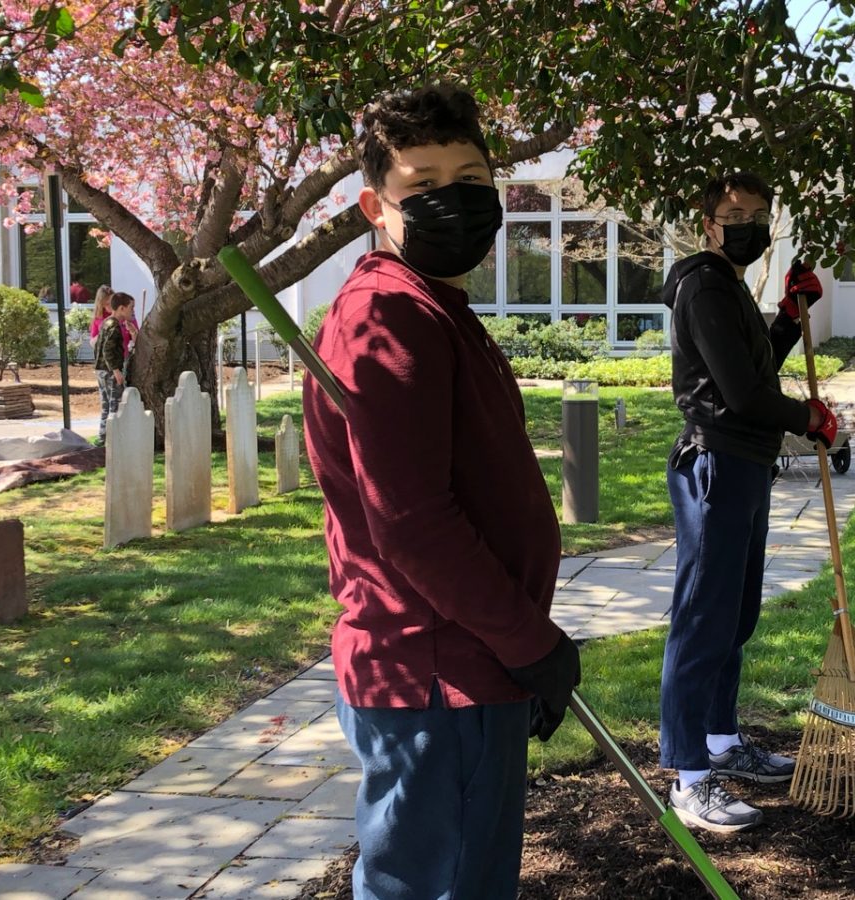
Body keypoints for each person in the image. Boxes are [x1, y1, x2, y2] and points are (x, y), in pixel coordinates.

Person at [301, 85, 580, 900]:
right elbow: (413, 523)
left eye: (470, 177)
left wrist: (519, 650)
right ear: (374, 208)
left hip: (475, 664)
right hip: (436, 672)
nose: (451, 200)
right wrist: (529, 643)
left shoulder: (438, 307)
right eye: (422, 186)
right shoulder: (388, 317)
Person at [660, 172, 837, 834]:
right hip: (715, 463)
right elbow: (740, 393)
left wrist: (790, 318)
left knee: (733, 618)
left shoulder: (727, 287)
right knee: (702, 619)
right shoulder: (704, 283)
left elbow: (755, 363)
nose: (748, 225)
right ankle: (689, 777)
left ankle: (721, 743)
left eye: (759, 215)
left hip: (745, 465)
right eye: (734, 214)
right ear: (708, 225)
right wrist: (809, 418)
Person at [92, 291, 135, 445]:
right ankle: (112, 440)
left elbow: (98, 346)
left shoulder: (107, 322)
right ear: (122, 308)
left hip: (101, 369)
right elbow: (107, 350)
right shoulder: (114, 326)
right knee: (114, 405)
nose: (132, 311)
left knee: (105, 405)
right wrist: (116, 371)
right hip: (110, 371)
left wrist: (134, 333)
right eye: (131, 308)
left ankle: (103, 437)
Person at [91, 284, 137, 355]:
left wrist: (133, 331)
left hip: (125, 358)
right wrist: (104, 331)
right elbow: (92, 343)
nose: (111, 306)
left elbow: (138, 341)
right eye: (107, 304)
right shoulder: (99, 318)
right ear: (101, 304)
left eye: (112, 302)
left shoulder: (125, 314)